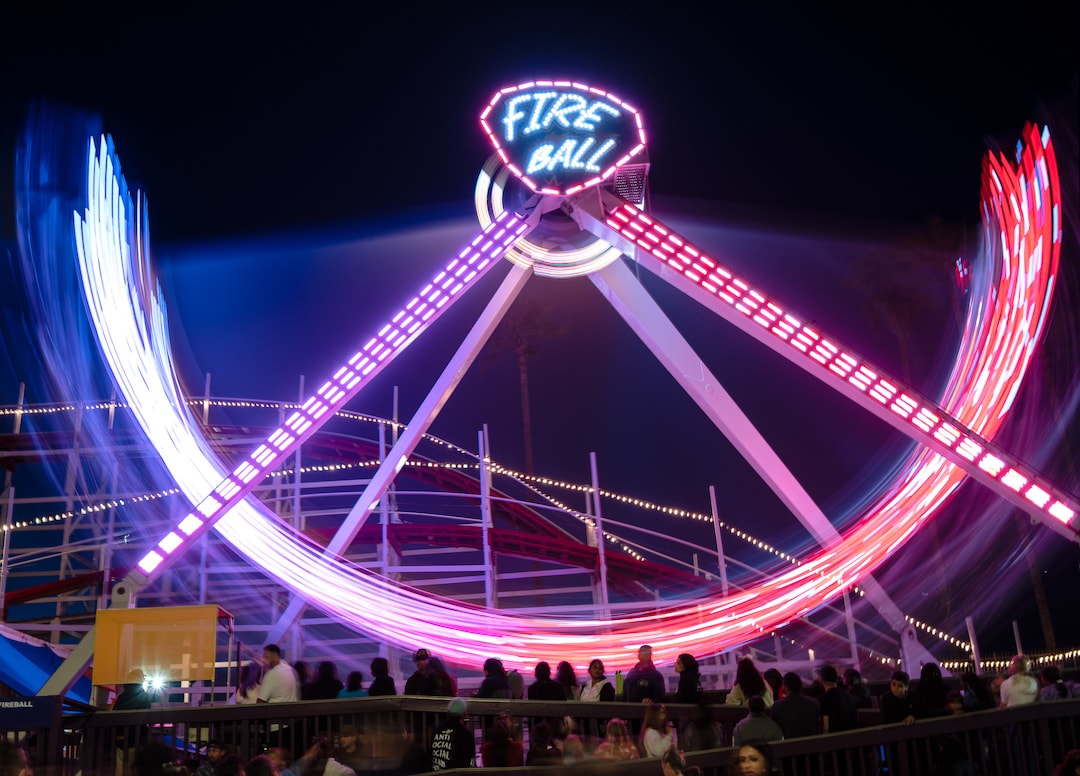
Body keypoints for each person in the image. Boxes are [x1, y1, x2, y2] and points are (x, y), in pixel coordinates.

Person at [770, 672, 820, 738]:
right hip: (813, 742)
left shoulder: (777, 706)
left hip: (789, 742)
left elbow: (775, 729)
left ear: (786, 687)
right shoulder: (814, 703)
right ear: (800, 685)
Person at [430, 698, 475, 770]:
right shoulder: (465, 734)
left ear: (448, 713)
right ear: (464, 714)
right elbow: (468, 764)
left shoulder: (436, 730)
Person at [818, 664, 856, 734]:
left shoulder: (824, 698)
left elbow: (825, 726)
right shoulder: (848, 695)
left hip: (835, 738)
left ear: (821, 679)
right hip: (851, 737)